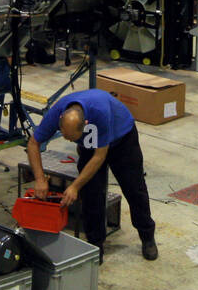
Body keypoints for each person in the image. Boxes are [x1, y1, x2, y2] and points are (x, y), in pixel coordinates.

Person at [26, 90, 157, 262]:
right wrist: (40, 179)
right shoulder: (56, 113)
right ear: (60, 120)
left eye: (72, 138)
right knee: (91, 194)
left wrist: (74, 186)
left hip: (122, 139)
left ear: (86, 125)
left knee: (134, 189)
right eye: (65, 136)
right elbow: (33, 143)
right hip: (90, 144)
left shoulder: (100, 113)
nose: (68, 141)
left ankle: (147, 236)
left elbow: (99, 157)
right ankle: (96, 245)